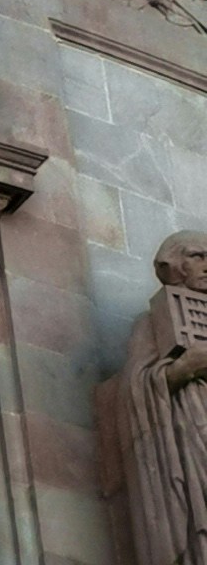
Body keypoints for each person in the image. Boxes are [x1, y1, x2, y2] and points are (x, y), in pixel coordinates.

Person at [122, 233, 207, 565]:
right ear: (173, 265)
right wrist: (184, 368)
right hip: (195, 437)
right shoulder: (152, 323)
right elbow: (134, 387)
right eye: (198, 256)